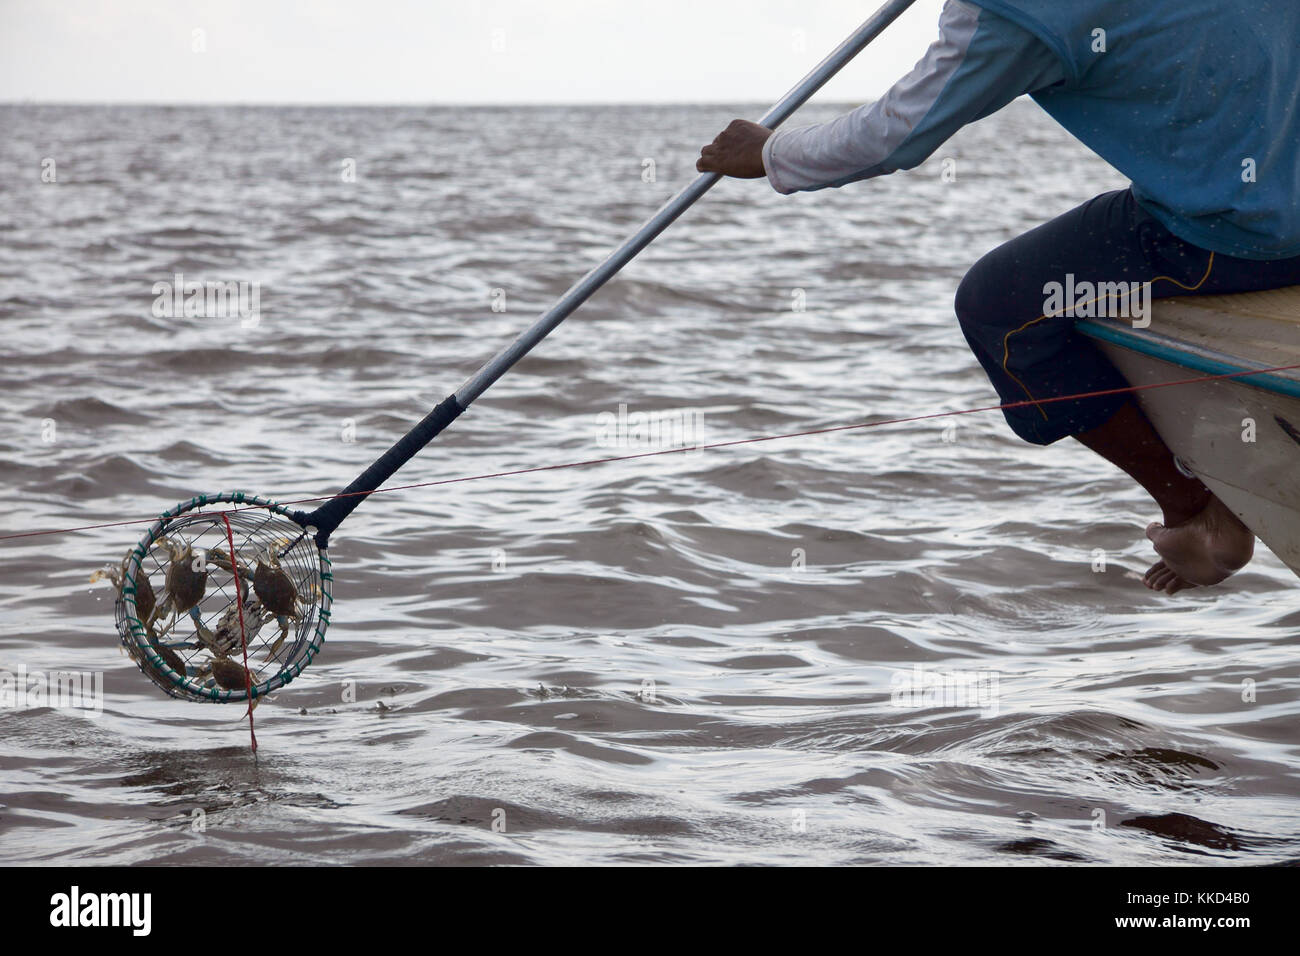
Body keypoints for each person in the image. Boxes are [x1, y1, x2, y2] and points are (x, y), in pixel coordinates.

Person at [696, 0, 1300, 594]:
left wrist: (771, 152)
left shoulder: (1011, 16)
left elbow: (895, 135)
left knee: (997, 306)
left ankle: (1195, 510)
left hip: (1242, 234)